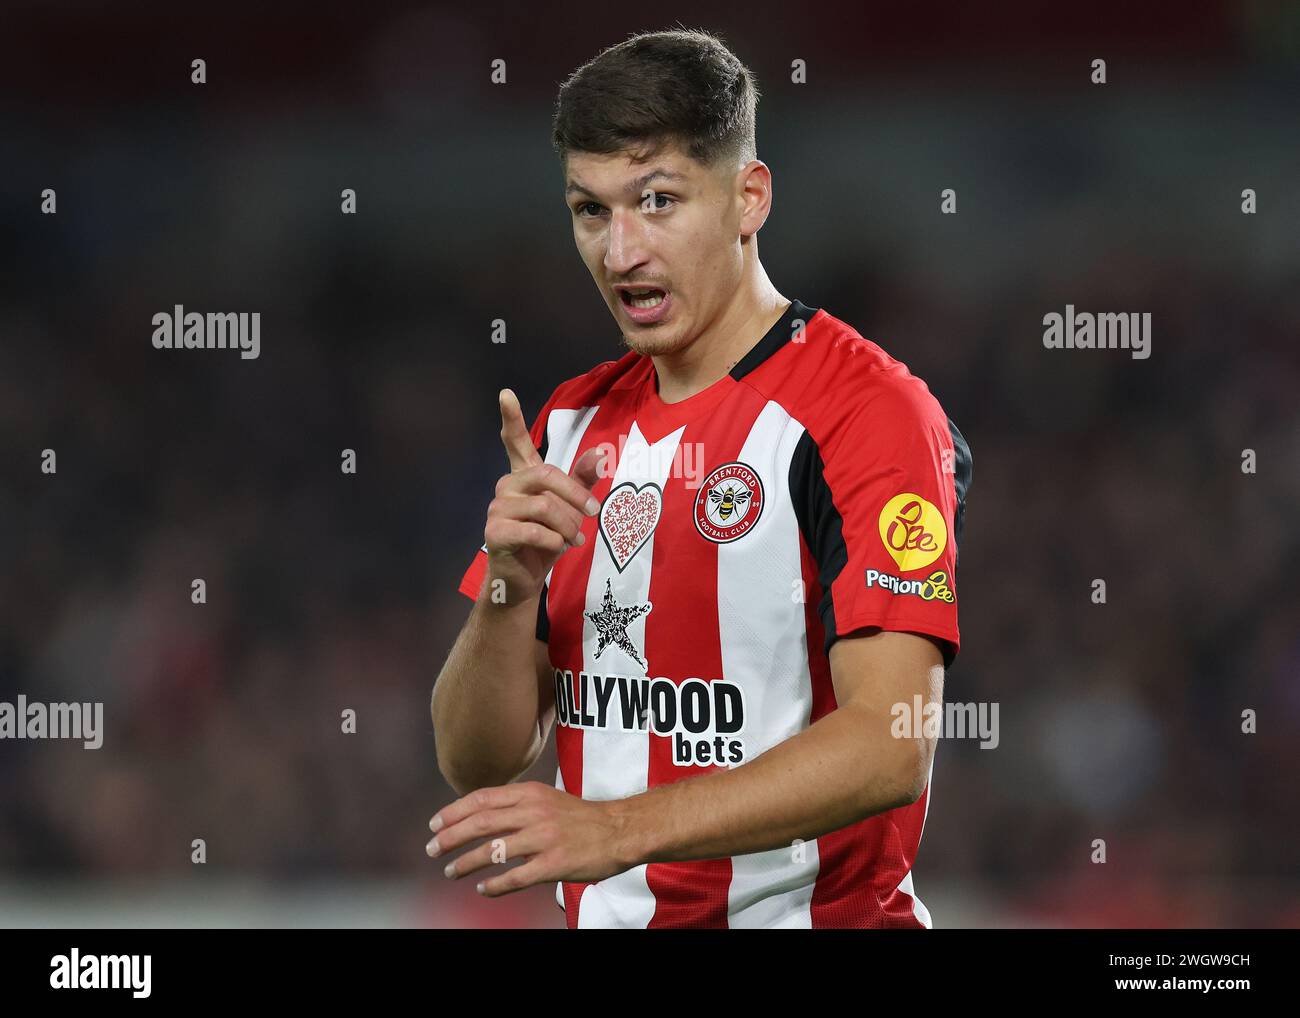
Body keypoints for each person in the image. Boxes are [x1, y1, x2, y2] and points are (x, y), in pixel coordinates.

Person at [429, 27, 972, 928]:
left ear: (748, 198)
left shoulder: (863, 411)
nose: (621, 250)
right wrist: (506, 592)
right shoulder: (570, 424)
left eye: (658, 200)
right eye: (591, 210)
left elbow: (890, 743)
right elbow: (476, 760)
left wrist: (620, 829)